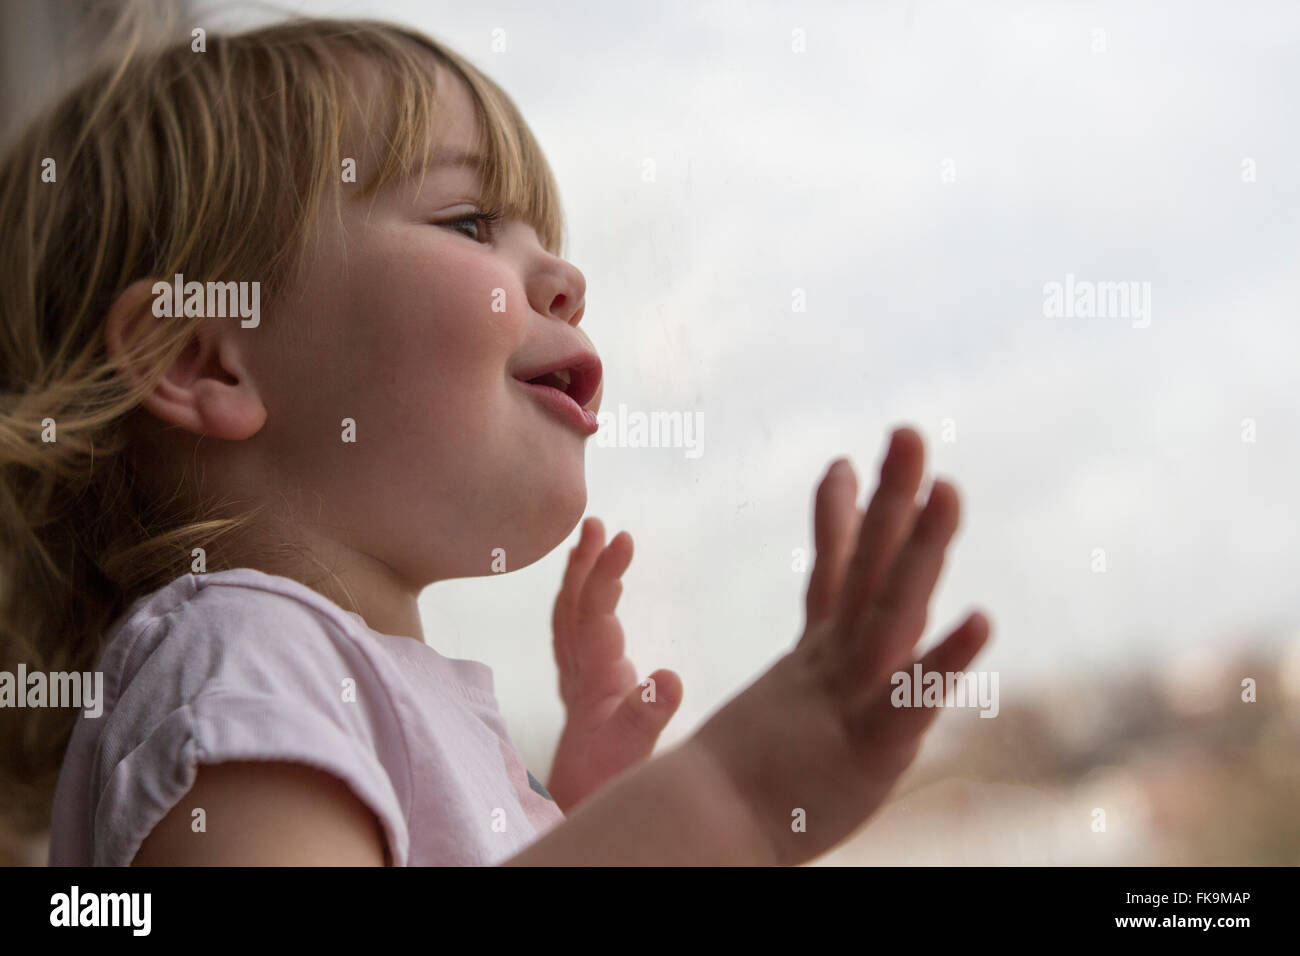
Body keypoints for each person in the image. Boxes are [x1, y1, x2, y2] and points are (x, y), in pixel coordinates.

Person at [0, 16, 991, 866]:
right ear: (205, 359)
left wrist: (568, 819)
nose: (564, 274)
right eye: (472, 224)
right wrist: (722, 803)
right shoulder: (236, 657)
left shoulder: (304, 677)